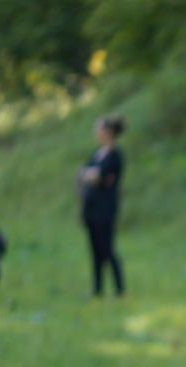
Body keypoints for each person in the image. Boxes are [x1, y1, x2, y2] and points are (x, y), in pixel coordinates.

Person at [79, 115, 125, 296]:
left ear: (109, 132)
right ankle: (98, 288)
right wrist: (92, 175)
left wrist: (91, 175)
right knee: (94, 249)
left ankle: (120, 289)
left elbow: (97, 176)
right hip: (91, 207)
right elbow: (85, 174)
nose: (96, 133)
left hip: (106, 209)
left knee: (107, 248)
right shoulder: (97, 154)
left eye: (99, 129)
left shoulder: (115, 155)